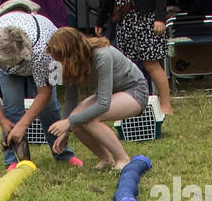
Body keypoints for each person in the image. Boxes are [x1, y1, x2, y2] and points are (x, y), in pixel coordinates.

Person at [0, 2, 82, 169]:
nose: (12, 68)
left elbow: (44, 94)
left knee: (51, 108)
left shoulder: (41, 50)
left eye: (15, 64)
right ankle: (12, 161)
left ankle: (62, 153)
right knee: (11, 109)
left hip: (46, 58)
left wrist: (23, 124)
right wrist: (2, 120)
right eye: (6, 64)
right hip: (15, 58)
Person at [46, 27, 148, 171]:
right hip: (110, 94)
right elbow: (70, 97)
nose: (57, 62)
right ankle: (105, 159)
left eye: (59, 58)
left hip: (135, 91)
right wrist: (66, 130)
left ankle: (123, 159)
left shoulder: (102, 55)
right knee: (77, 119)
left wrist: (68, 122)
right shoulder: (68, 64)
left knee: (87, 118)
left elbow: (103, 105)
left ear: (71, 54)